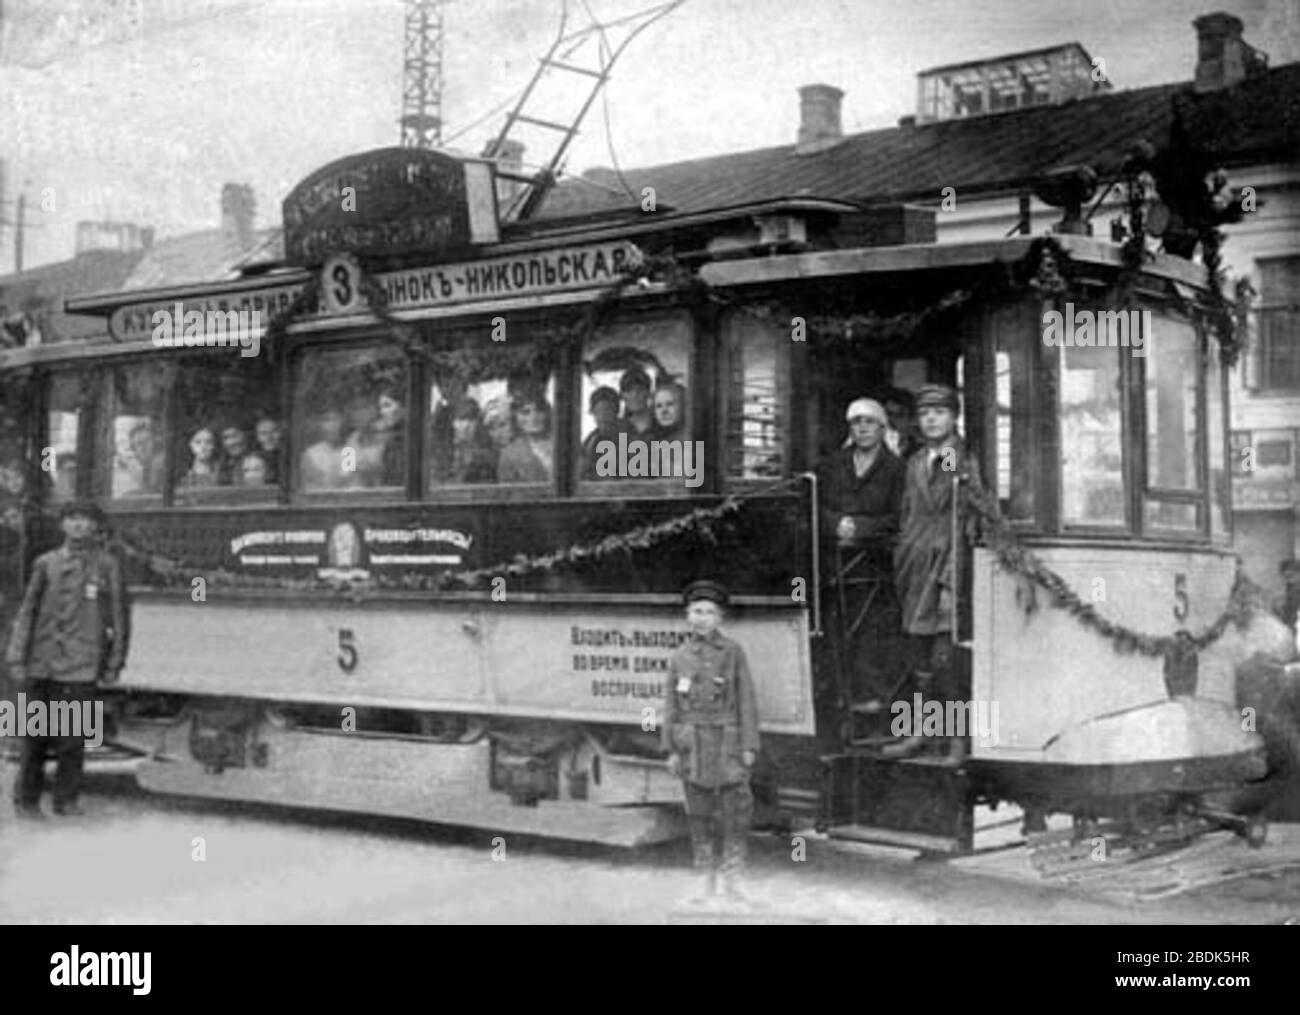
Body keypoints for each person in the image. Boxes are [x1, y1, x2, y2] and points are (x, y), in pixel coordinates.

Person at [6, 501, 129, 818]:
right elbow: (27, 612)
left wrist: (115, 662)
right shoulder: (45, 563)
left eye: (85, 520)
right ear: (62, 525)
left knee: (72, 740)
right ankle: (26, 800)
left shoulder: (107, 565)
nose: (78, 526)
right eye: (72, 519)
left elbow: (119, 616)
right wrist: (18, 656)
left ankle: (66, 799)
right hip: (40, 662)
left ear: (95, 527)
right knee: (34, 737)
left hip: (80, 665)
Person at [887, 383, 988, 762]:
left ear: (954, 417)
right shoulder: (914, 462)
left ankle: (957, 741)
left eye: (939, 412)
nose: (931, 419)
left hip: (947, 568)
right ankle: (922, 734)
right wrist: (903, 555)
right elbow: (909, 513)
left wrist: (951, 575)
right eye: (925, 413)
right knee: (919, 660)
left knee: (948, 662)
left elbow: (964, 516)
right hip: (914, 569)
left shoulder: (959, 459)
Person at [663, 580, 760, 908]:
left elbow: (746, 699)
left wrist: (749, 745)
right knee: (698, 816)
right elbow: (670, 707)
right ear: (687, 616)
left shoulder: (732, 652)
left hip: (727, 745)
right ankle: (704, 884)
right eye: (696, 611)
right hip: (693, 748)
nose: (701, 618)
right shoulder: (679, 657)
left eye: (708, 612)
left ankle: (734, 883)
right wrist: (672, 751)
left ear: (720, 618)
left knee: (735, 815)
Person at [818, 397, 906, 709]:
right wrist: (835, 523)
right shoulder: (833, 464)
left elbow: (899, 517)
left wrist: (859, 527)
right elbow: (816, 505)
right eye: (856, 423)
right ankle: (842, 700)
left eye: (870, 422)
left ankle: (874, 700)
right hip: (837, 565)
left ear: (883, 428)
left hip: (876, 565)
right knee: (837, 631)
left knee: (872, 634)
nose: (863, 428)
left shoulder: (897, 468)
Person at [348, 386, 406, 487]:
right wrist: (359, 468)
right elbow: (346, 469)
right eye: (356, 410)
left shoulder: (394, 435)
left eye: (387, 405)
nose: (360, 414)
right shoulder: (354, 438)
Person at [438, 397, 497, 485]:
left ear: (477, 423)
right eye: (459, 420)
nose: (462, 426)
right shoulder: (445, 451)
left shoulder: (485, 454)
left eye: (468, 420)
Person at [498, 393, 554, 483]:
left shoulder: (564, 444)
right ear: (515, 417)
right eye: (525, 412)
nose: (533, 417)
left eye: (539, 411)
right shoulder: (509, 453)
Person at [299, 408, 357, 491]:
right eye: (327, 420)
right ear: (319, 424)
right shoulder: (311, 453)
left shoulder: (349, 452)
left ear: (342, 423)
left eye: (336, 420)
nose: (332, 425)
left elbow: (347, 480)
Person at [581, 386, 631, 479]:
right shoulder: (591, 440)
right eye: (599, 411)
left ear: (616, 411)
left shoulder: (628, 437)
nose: (603, 416)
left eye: (608, 410)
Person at [618, 367, 654, 436]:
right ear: (622, 395)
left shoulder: (662, 425)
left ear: (649, 393)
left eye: (640, 390)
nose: (634, 395)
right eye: (629, 391)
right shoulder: (616, 429)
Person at [217, 419, 251, 486]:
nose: (231, 442)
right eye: (226, 438)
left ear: (244, 436)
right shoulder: (220, 464)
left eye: (234, 436)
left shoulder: (256, 460)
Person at [253, 414, 284, 485]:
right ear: (257, 437)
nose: (269, 437)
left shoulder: (292, 458)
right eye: (263, 433)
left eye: (273, 432)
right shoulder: (252, 459)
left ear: (282, 433)